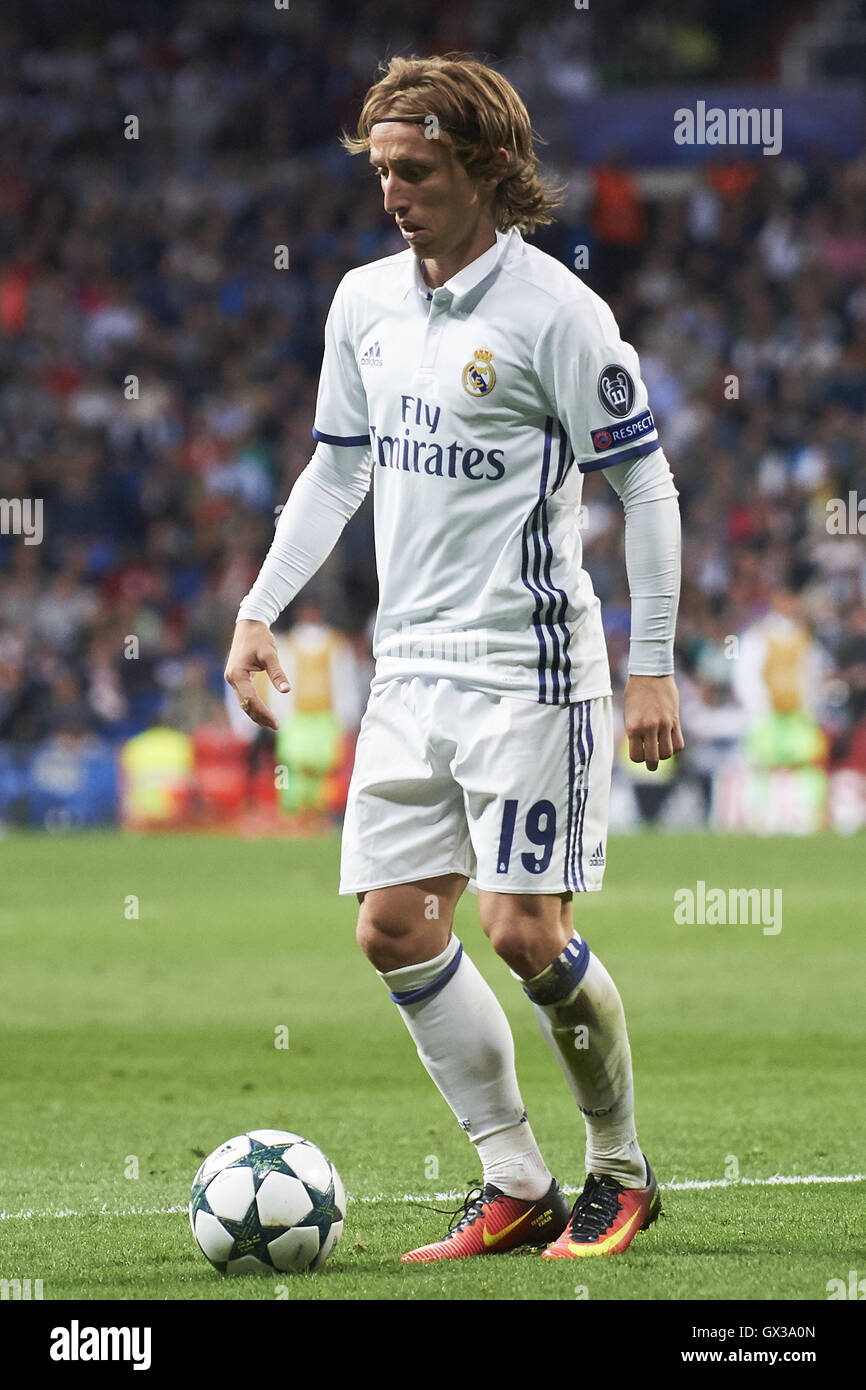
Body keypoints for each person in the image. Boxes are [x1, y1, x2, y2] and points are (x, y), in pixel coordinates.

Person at [224, 54, 683, 1262]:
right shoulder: (362, 303)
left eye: (415, 169)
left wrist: (654, 663)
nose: (392, 192)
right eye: (380, 170)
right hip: (409, 668)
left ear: (487, 167)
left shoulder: (557, 314)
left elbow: (643, 479)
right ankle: (513, 1179)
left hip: (530, 668)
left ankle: (620, 1172)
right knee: (392, 925)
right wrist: (261, 607)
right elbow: (337, 467)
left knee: (521, 927)